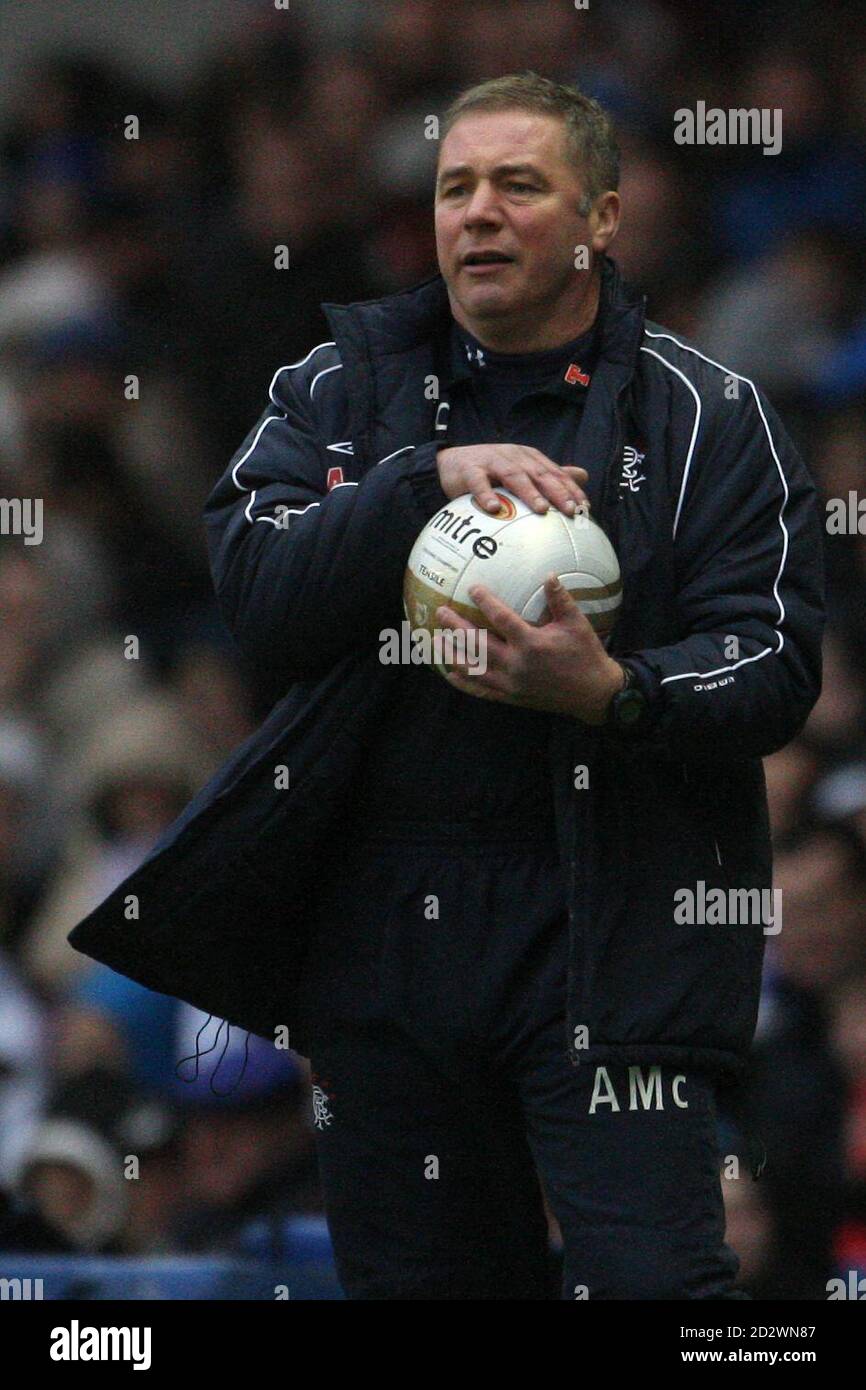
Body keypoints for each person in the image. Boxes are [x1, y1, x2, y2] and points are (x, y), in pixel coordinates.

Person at [70, 73, 825, 1299]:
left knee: (659, 1293)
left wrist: (612, 690)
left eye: (518, 185)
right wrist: (416, 482)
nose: (475, 212)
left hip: (617, 936)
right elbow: (256, 592)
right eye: (453, 187)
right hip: (383, 942)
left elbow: (775, 661)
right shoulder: (335, 390)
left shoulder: (708, 417)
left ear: (601, 220)